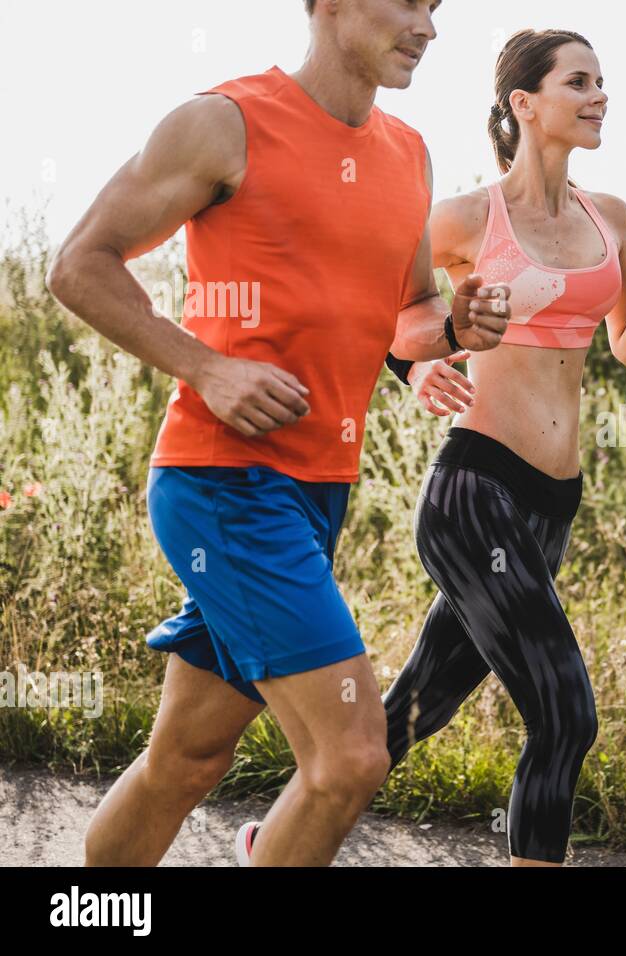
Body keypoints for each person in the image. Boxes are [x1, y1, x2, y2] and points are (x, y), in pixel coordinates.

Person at [44, 0, 511, 866]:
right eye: (409, 1)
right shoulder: (224, 124)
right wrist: (205, 366)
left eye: (437, 7)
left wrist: (455, 326)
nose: (429, 27)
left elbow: (405, 317)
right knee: (350, 757)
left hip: (314, 494)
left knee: (185, 761)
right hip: (225, 486)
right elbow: (79, 264)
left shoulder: (408, 152)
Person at [382, 28, 626, 866]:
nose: (599, 96)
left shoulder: (610, 215)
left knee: (416, 705)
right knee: (564, 716)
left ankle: (279, 840)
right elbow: (389, 314)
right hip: (473, 489)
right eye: (579, 81)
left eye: (602, 82)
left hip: (552, 504)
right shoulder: (465, 217)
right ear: (525, 104)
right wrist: (410, 370)